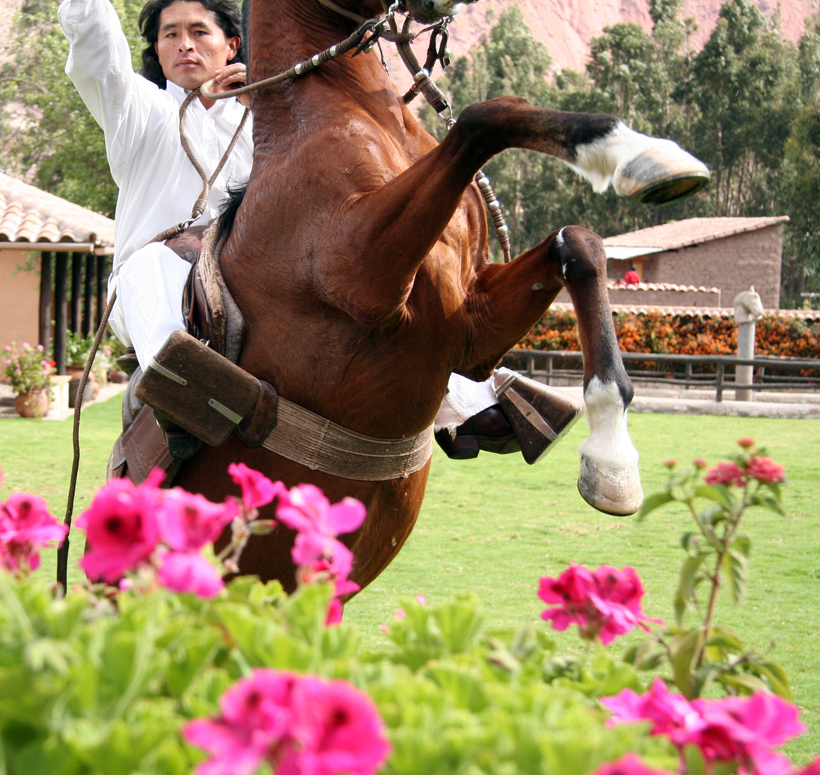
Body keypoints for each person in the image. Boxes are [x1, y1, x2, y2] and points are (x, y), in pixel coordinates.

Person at [60, 0, 572, 461]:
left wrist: (251, 106)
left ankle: (464, 401)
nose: (185, 44)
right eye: (170, 34)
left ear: (233, 45)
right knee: (150, 265)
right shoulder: (139, 113)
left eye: (199, 31)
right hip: (159, 286)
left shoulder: (272, 125)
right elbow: (96, 53)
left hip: (250, 278)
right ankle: (177, 387)